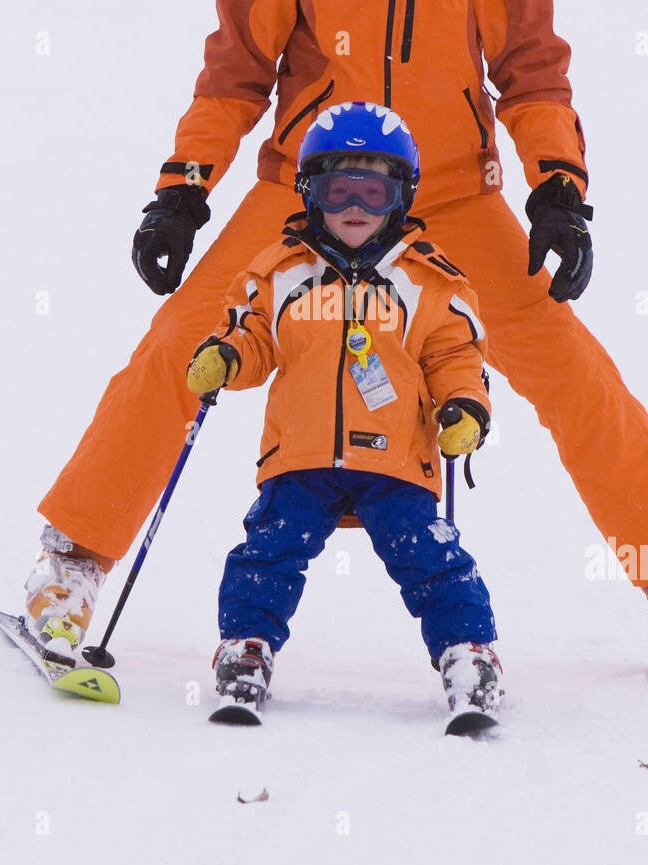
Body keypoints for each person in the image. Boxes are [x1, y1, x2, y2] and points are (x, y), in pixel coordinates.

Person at [24, 0, 648, 679]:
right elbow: (233, 79)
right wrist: (181, 192)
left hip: (448, 196)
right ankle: (71, 562)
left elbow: (532, 75)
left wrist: (558, 190)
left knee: (569, 368)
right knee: (181, 346)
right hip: (302, 196)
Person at [185, 100, 500, 728]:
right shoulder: (279, 274)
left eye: (374, 190)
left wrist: (464, 406)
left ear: (401, 196)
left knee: (432, 558)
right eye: (338, 189)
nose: (355, 206)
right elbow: (252, 338)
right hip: (299, 456)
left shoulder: (428, 282)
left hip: (397, 459)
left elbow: (456, 355)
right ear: (310, 193)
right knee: (268, 551)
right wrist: (226, 354)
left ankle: (468, 655)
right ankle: (247, 650)